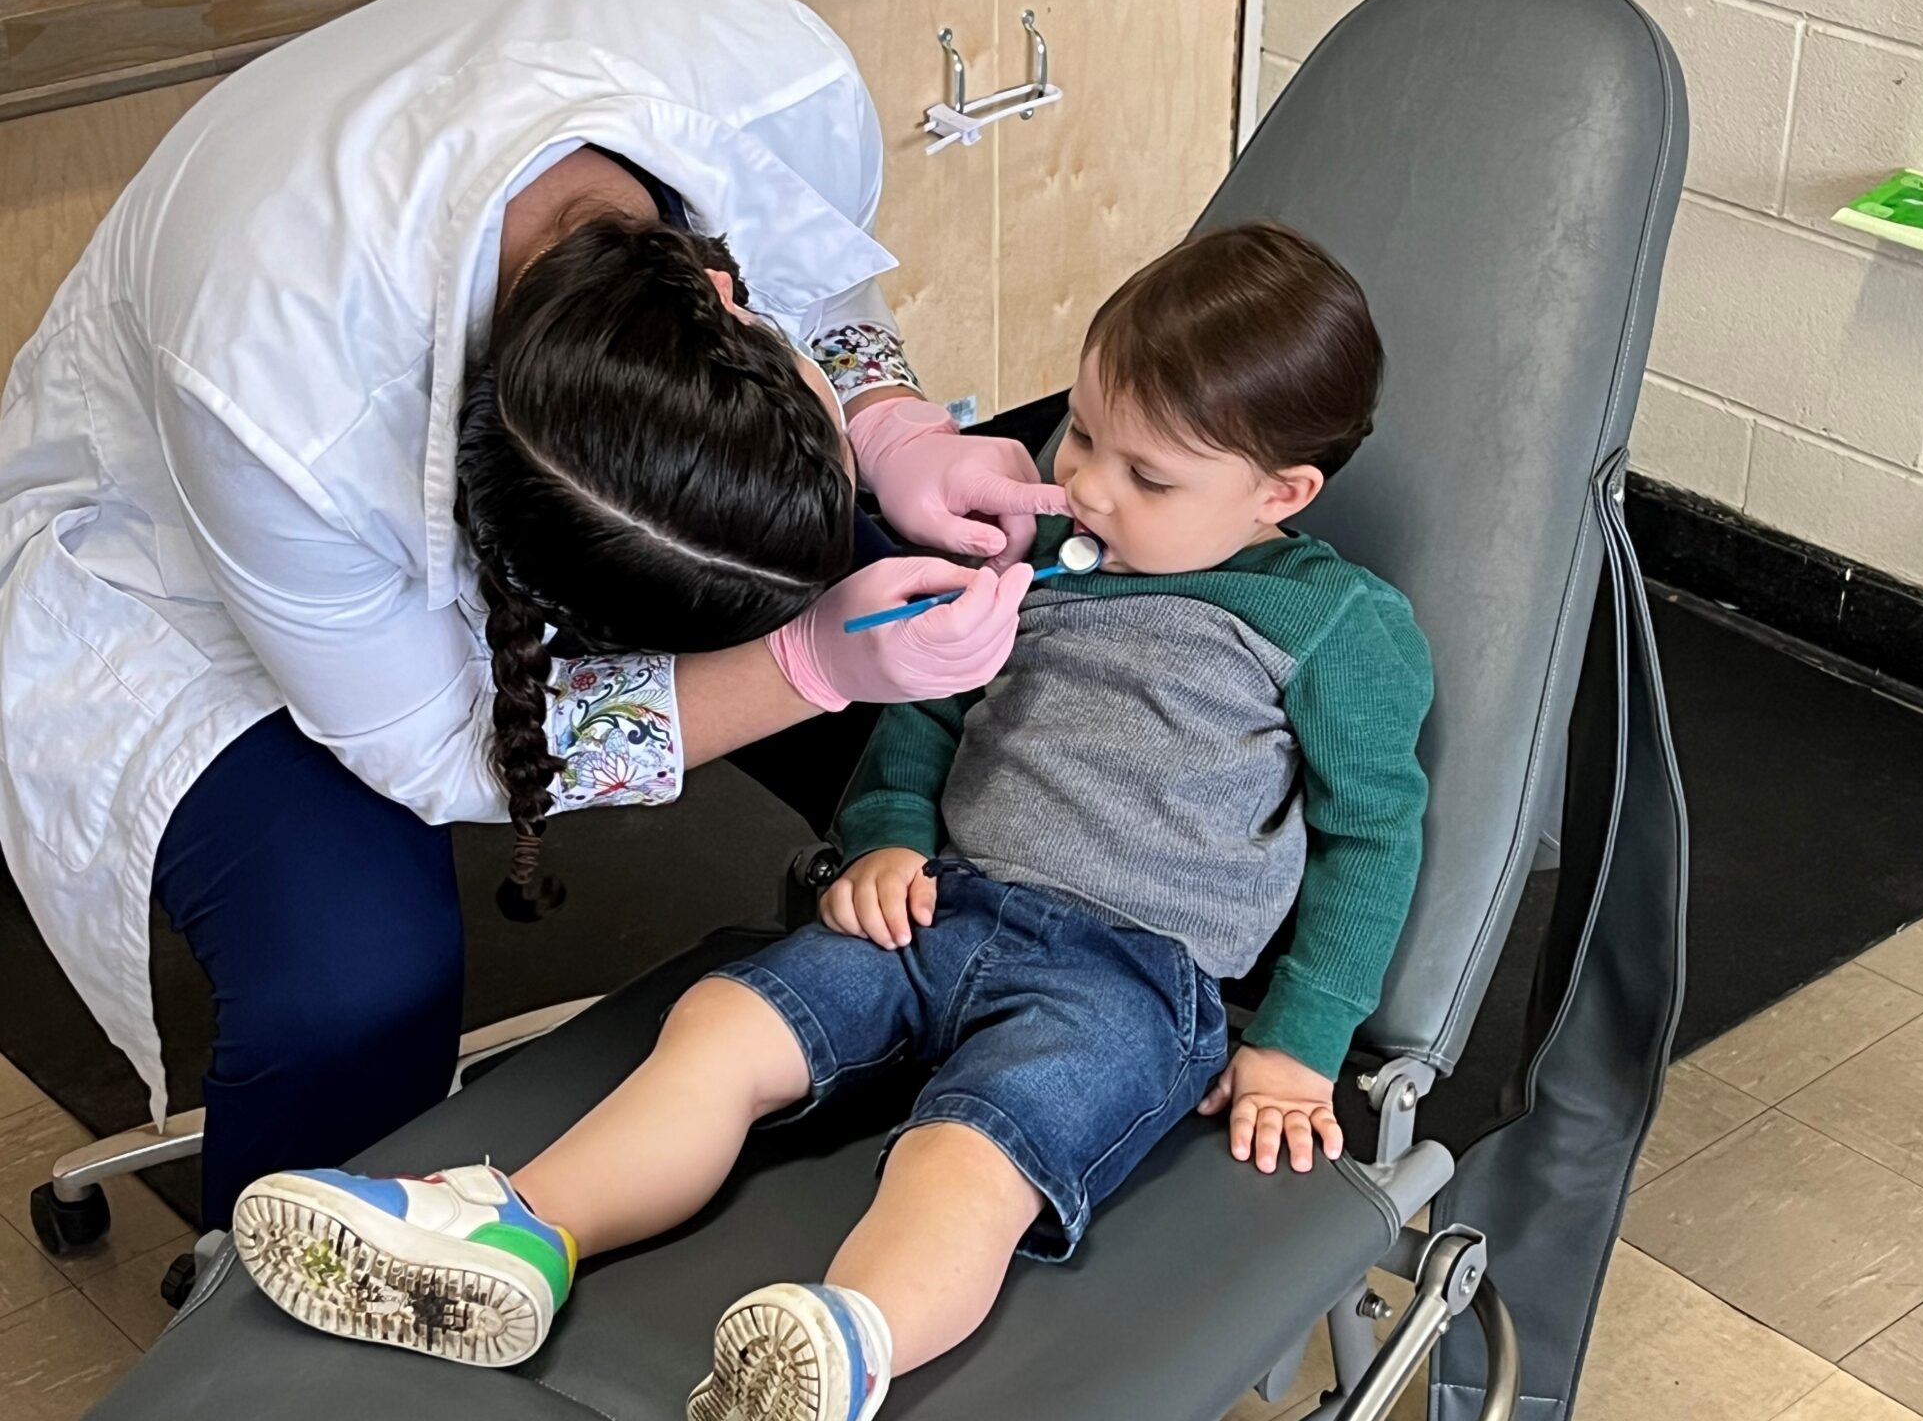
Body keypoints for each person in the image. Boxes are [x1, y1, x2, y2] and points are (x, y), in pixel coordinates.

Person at [229, 222, 1437, 1421]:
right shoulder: (1041, 552)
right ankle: (516, 1235)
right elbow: (923, 712)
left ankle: (842, 1347)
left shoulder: (1332, 624)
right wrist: (887, 836)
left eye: (1148, 477)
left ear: (1280, 491)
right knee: (721, 1028)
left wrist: (1297, 1041)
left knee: (969, 1151)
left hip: (1126, 981)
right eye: (1082, 432)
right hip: (937, 907)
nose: (1083, 483)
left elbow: (1371, 839)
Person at [0, 0, 1067, 1232]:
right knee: (355, 974)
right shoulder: (274, 392)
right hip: (173, 582)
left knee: (937, 613)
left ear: (714, 295)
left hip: (465, 395)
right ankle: (270, 1332)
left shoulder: (766, 74)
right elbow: (438, 745)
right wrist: (807, 669)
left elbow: (812, 272)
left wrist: (891, 426)